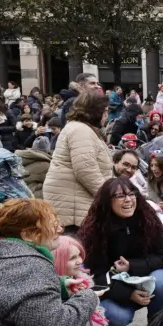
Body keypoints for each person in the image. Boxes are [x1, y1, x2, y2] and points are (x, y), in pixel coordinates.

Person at [78, 178, 163, 326]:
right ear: (107, 201)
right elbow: (93, 275)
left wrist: (132, 266)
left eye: (131, 194)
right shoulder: (94, 229)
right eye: (120, 196)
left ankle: (156, 325)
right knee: (118, 316)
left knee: (162, 283)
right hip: (113, 284)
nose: (128, 200)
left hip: (145, 276)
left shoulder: (147, 217)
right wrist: (128, 294)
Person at [43, 92, 115, 229]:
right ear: (94, 111)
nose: (107, 115)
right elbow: (86, 170)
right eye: (105, 111)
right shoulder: (81, 130)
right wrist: (110, 196)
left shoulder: (82, 128)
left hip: (75, 202)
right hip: (73, 207)